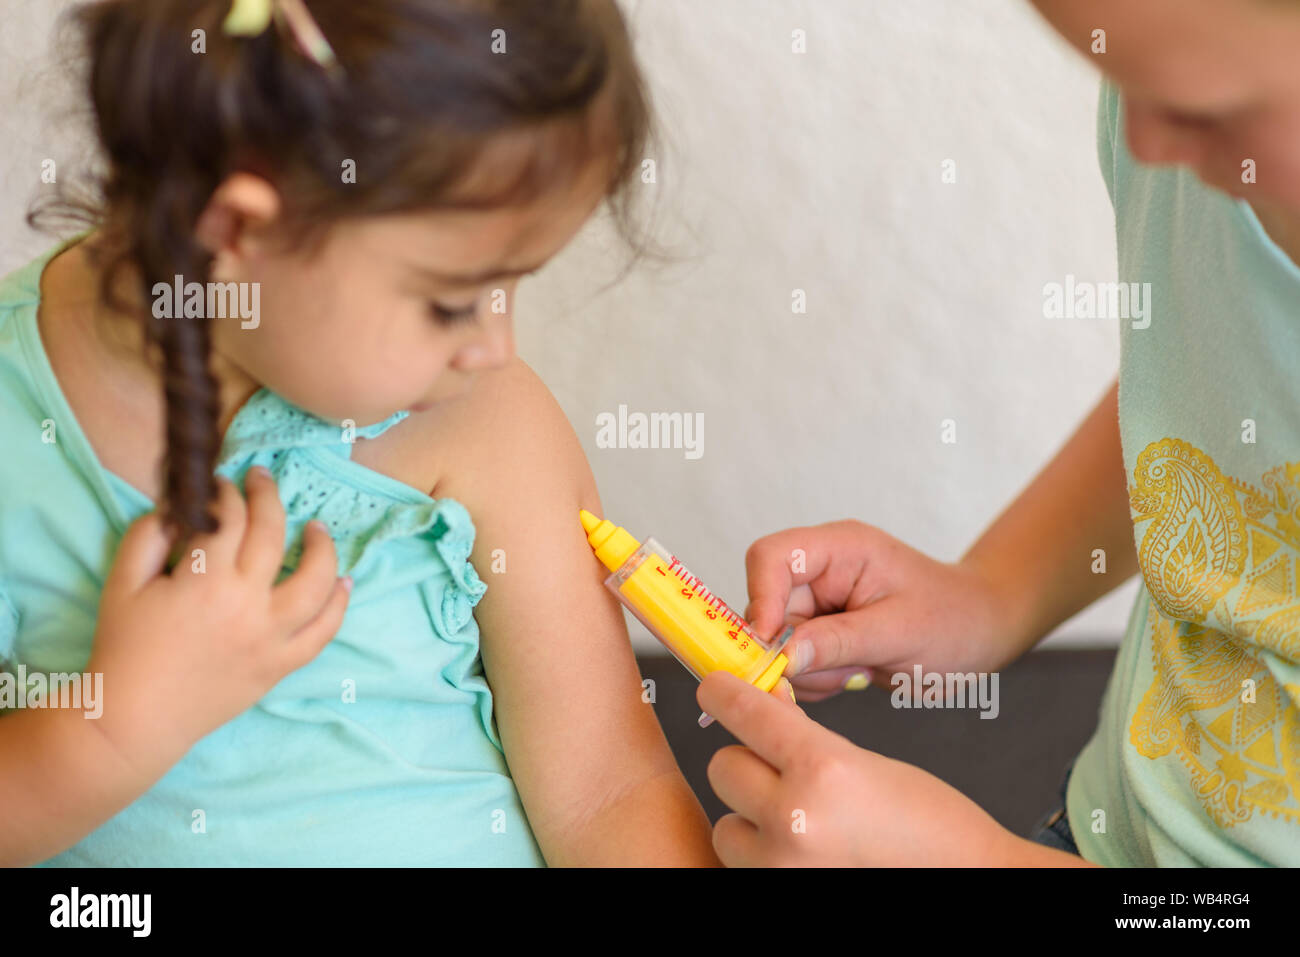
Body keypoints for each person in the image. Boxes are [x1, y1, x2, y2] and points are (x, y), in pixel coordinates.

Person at [0, 0, 724, 866]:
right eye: (454, 299)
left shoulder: (486, 420)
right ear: (237, 231)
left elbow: (610, 790)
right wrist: (118, 726)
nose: (498, 346)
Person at [700, 0, 1300, 866]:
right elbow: (1212, 380)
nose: (1146, 146)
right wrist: (989, 593)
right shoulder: (1185, 101)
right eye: (1117, 75)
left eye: (1210, 108)